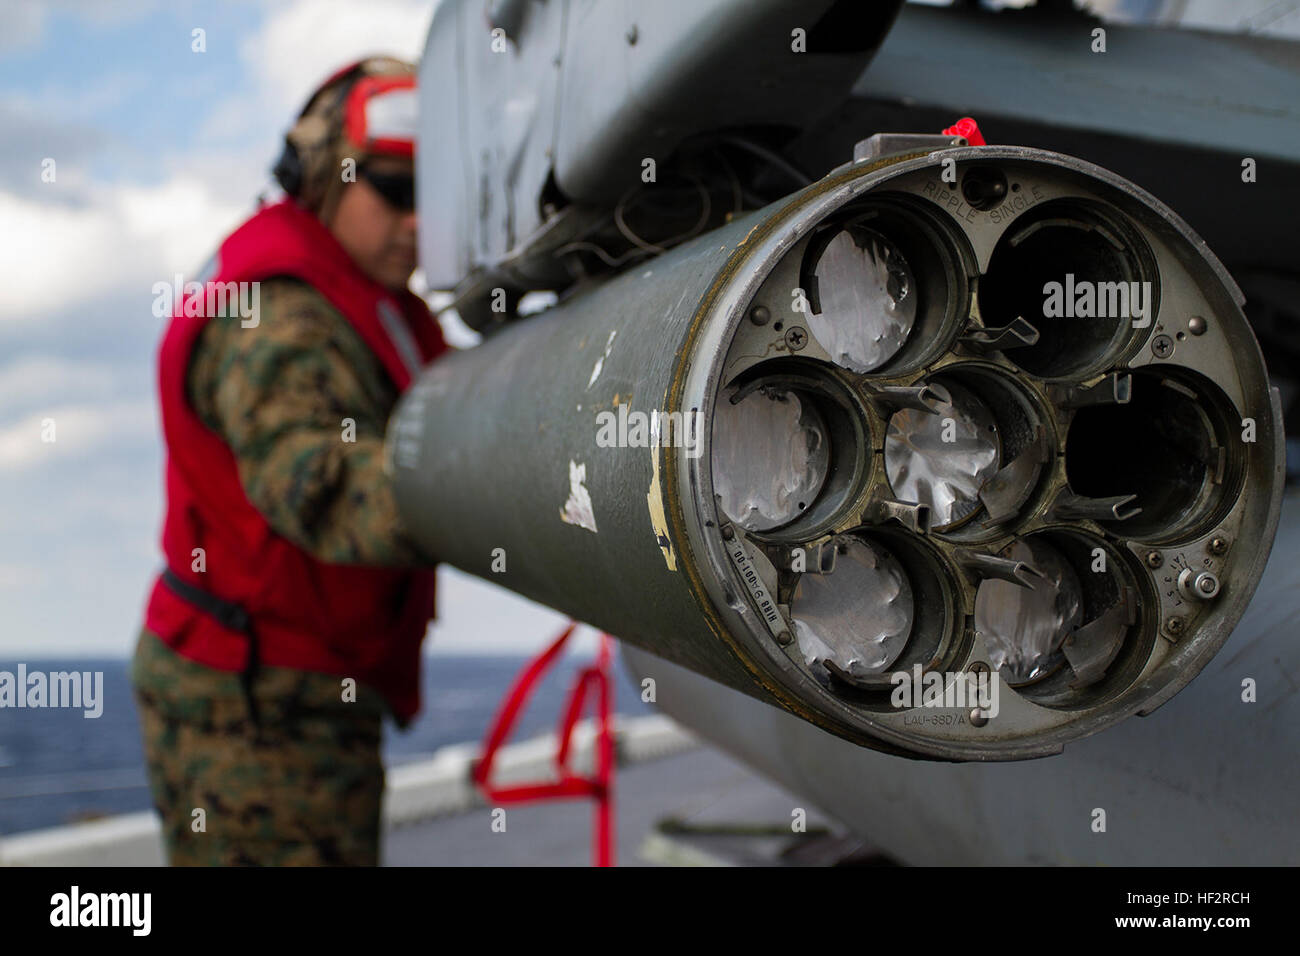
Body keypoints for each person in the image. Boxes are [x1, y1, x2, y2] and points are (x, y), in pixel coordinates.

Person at [131, 56, 448, 866]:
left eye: (434, 193)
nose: (417, 222)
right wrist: (511, 495)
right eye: (393, 190)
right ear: (320, 177)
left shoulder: (369, 296)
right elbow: (319, 487)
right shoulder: (281, 316)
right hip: (256, 712)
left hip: (309, 692)